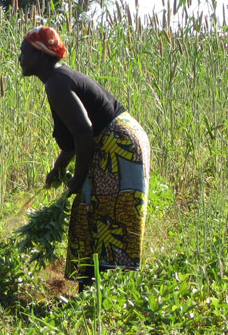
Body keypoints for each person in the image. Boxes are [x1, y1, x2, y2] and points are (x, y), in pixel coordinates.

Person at [19, 26, 151, 290]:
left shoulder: (56, 83)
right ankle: (94, 294)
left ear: (40, 56)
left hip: (118, 143)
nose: (19, 59)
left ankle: (99, 296)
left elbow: (83, 130)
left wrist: (76, 184)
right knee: (92, 213)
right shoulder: (57, 80)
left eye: (24, 52)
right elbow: (74, 137)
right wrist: (58, 168)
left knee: (101, 216)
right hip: (123, 137)